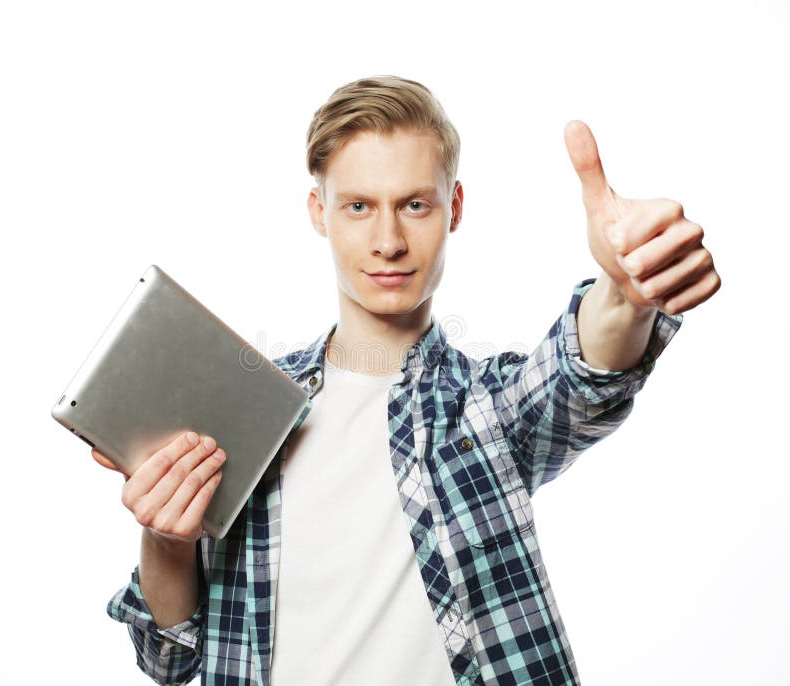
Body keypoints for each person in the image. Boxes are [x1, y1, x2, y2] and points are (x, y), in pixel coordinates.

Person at [93, 75, 720, 686]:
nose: (388, 240)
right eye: (359, 206)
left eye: (414, 205)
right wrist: (165, 540)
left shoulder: (487, 409)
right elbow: (168, 661)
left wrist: (625, 293)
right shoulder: (248, 408)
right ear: (320, 213)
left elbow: (581, 374)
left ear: (455, 209)